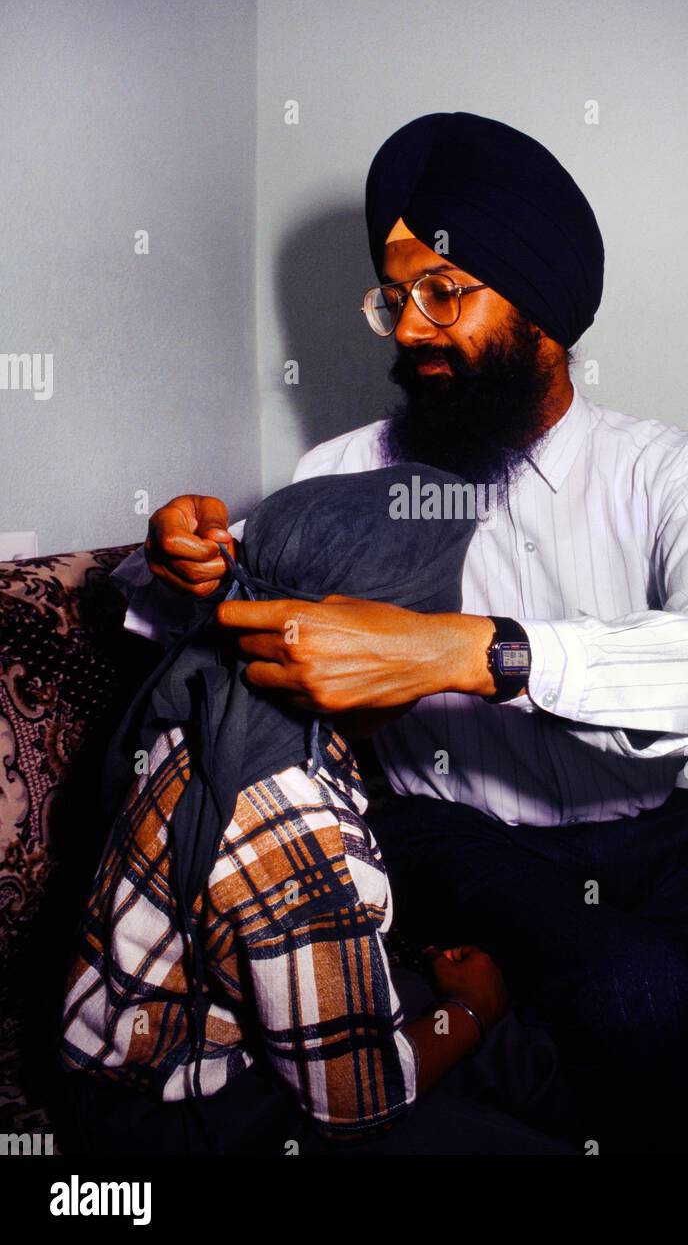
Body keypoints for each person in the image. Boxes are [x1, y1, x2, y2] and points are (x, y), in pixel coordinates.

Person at [115, 110, 688, 1154]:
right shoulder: (344, 474)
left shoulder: (675, 473)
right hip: (451, 838)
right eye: (395, 299)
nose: (412, 327)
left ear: (546, 309)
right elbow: (184, 608)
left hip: (651, 832)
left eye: (445, 290)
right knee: (636, 992)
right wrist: (174, 557)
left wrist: (472, 652)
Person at [53, 466, 578, 1156]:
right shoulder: (293, 820)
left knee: (530, 1061)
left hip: (193, 1039)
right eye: (431, 630)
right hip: (168, 1113)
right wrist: (470, 1012)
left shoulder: (209, 694)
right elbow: (359, 1103)